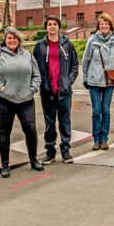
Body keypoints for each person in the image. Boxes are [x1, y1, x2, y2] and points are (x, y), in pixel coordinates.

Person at [0, 27, 43, 178]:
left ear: (19, 40)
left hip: (26, 99)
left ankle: (33, 159)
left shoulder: (28, 56)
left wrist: (32, 89)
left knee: (30, 129)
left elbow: (37, 75)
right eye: (9, 38)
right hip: (4, 99)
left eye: (15, 38)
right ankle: (5, 165)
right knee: (5, 131)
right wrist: (1, 87)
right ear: (5, 40)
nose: (12, 40)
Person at [33, 15, 79, 164]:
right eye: (49, 24)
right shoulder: (40, 46)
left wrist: (68, 81)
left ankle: (65, 150)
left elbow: (75, 65)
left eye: (55, 24)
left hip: (64, 92)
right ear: (46, 27)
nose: (52, 26)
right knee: (49, 123)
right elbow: (34, 67)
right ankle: (50, 152)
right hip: (47, 91)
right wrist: (40, 83)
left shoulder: (67, 44)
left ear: (59, 27)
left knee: (65, 122)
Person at [81, 13, 114, 151]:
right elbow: (85, 61)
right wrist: (85, 79)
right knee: (96, 111)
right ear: (99, 26)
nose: (104, 26)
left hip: (110, 80)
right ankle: (96, 139)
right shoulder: (92, 40)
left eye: (106, 24)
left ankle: (104, 139)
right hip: (94, 80)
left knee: (106, 110)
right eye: (102, 24)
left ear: (110, 26)